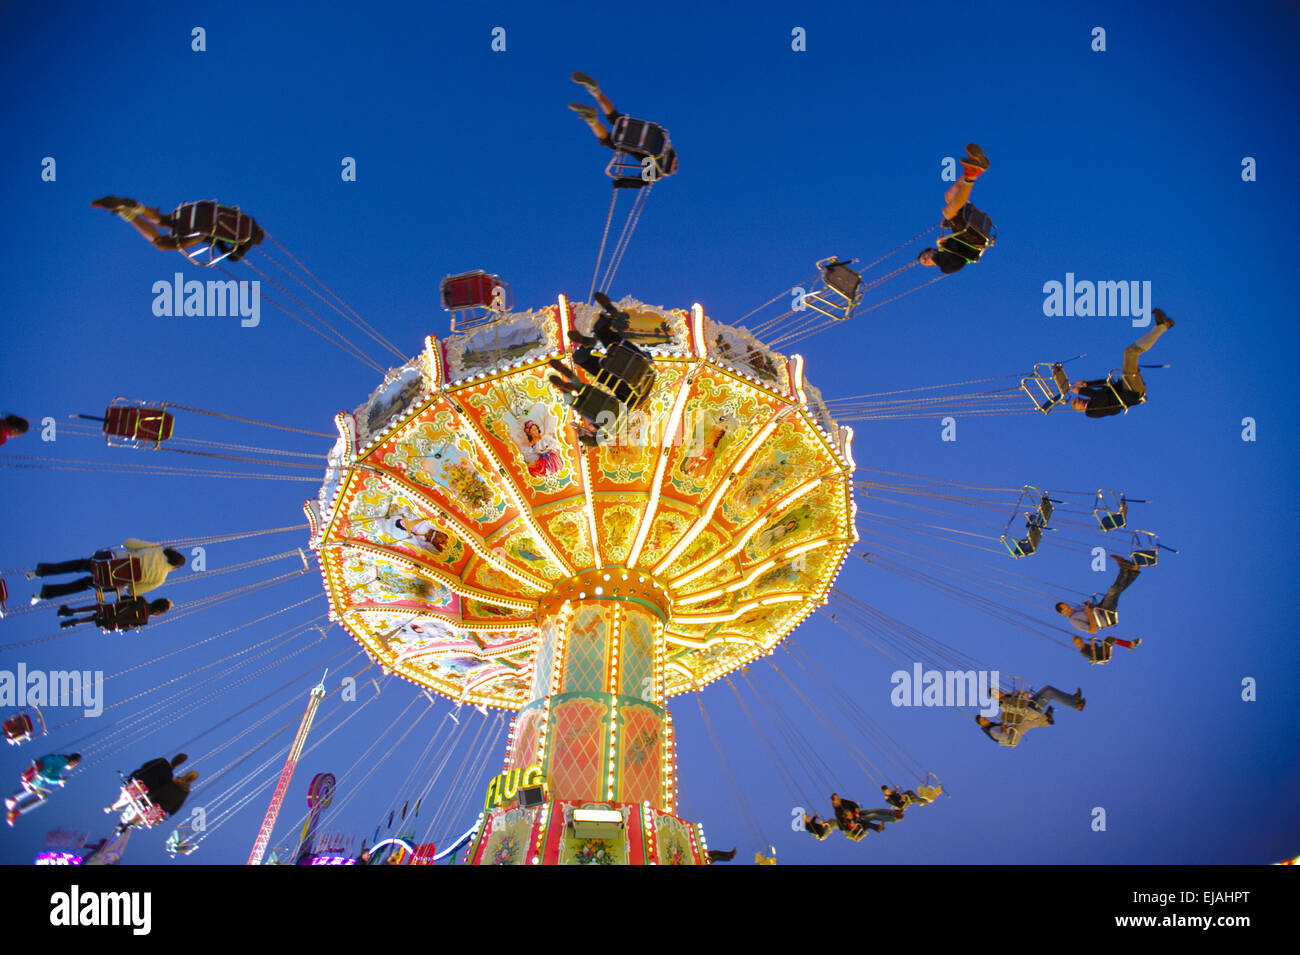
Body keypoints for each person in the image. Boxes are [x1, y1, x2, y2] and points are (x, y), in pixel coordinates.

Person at [567, 73, 677, 185]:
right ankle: (591, 119)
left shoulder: (666, 145)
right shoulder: (658, 171)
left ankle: (595, 91)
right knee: (607, 141)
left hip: (642, 129)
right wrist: (621, 182)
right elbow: (639, 181)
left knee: (614, 118)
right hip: (634, 144)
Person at [91, 196, 264, 263]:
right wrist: (217, 241)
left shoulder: (247, 219)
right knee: (162, 242)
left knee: (164, 220)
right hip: (201, 230)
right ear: (256, 241)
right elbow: (234, 257)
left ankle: (138, 207)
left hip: (198, 210)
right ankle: (126, 212)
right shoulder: (247, 240)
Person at [1070, 310, 1175, 417]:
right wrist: (1081, 390)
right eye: (1075, 403)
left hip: (1126, 386)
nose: (1077, 400)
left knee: (1129, 352)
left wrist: (1087, 384)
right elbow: (1102, 397)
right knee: (1130, 353)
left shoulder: (1091, 399)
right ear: (1078, 410)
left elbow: (1106, 382)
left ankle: (1161, 326)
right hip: (1132, 392)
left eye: (1076, 399)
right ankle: (1162, 326)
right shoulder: (1091, 412)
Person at [29, 538, 185, 603]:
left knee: (78, 565)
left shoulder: (157, 548)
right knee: (81, 585)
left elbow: (128, 542)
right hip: (110, 581)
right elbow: (132, 591)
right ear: (173, 567)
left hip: (109, 563)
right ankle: (42, 595)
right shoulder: (160, 578)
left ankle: (40, 571)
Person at [918, 144, 991, 274]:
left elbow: (956, 233)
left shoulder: (945, 244)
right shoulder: (945, 267)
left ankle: (975, 167)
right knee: (947, 212)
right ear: (930, 266)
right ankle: (971, 175)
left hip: (966, 232)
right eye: (925, 261)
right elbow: (959, 261)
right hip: (972, 240)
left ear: (931, 250)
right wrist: (944, 245)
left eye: (925, 256)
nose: (927, 259)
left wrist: (947, 226)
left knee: (949, 196)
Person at [975, 685, 1084, 748]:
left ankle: (1073, 701)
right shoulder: (1003, 706)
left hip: (1029, 705)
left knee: (1048, 689)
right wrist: (1005, 725)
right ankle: (1075, 703)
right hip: (1031, 710)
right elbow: (1005, 734)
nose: (1000, 692)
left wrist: (1021, 694)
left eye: (998, 691)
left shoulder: (1007, 698)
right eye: (997, 693)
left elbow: (1023, 696)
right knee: (1049, 692)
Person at [1055, 554, 1141, 633]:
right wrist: (1088, 612)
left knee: (1116, 591)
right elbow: (1093, 630)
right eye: (1066, 609)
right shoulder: (1073, 620)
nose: (1069, 608)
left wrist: (1089, 605)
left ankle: (1132, 571)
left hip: (1100, 608)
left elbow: (1091, 609)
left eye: (1067, 606)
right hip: (1104, 616)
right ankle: (1125, 569)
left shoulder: (1076, 609)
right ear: (1063, 613)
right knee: (1112, 592)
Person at [5, 752, 80, 826]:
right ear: (73, 762)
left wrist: (58, 778)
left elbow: (45, 763)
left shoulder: (57, 757)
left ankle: (14, 799)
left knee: (35, 789)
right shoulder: (62, 765)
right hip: (36, 780)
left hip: (31, 773)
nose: (73, 766)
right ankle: (16, 811)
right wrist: (59, 780)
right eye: (75, 765)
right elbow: (49, 778)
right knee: (43, 798)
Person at [57, 596, 171, 631]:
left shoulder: (142, 600)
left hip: (110, 609)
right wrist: (111, 621)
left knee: (100, 607)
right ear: (158, 612)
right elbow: (127, 626)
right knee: (99, 615)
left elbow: (122, 599)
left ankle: (72, 611)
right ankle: (74, 623)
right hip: (109, 623)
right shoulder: (144, 621)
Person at [1073, 634, 1142, 664]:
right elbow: (1093, 654)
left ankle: (1129, 645)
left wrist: (1093, 642)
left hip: (1101, 651)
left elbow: (1095, 647)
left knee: (1109, 639)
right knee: (1109, 639)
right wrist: (1093, 642)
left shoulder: (1086, 645)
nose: (1081, 642)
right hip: (1102, 655)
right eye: (1079, 642)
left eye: (1080, 640)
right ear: (1077, 645)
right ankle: (1129, 645)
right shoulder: (1083, 651)